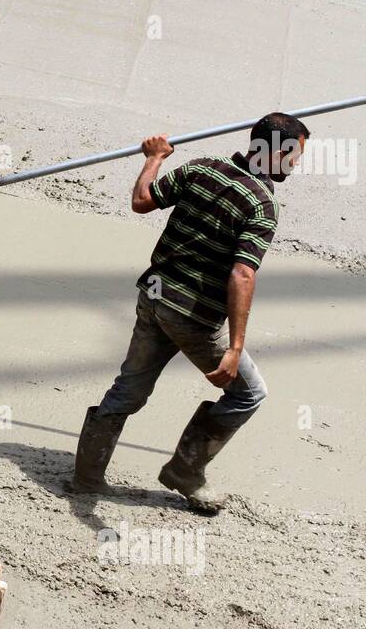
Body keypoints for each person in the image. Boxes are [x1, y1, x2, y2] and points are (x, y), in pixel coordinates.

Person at [69, 113, 310, 514]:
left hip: (154, 298)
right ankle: (185, 471)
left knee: (128, 389)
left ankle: (86, 477)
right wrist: (234, 347)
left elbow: (142, 201)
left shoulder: (201, 168)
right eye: (295, 155)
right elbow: (242, 274)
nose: (297, 164)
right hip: (194, 318)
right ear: (276, 152)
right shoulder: (262, 204)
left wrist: (154, 158)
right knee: (249, 393)